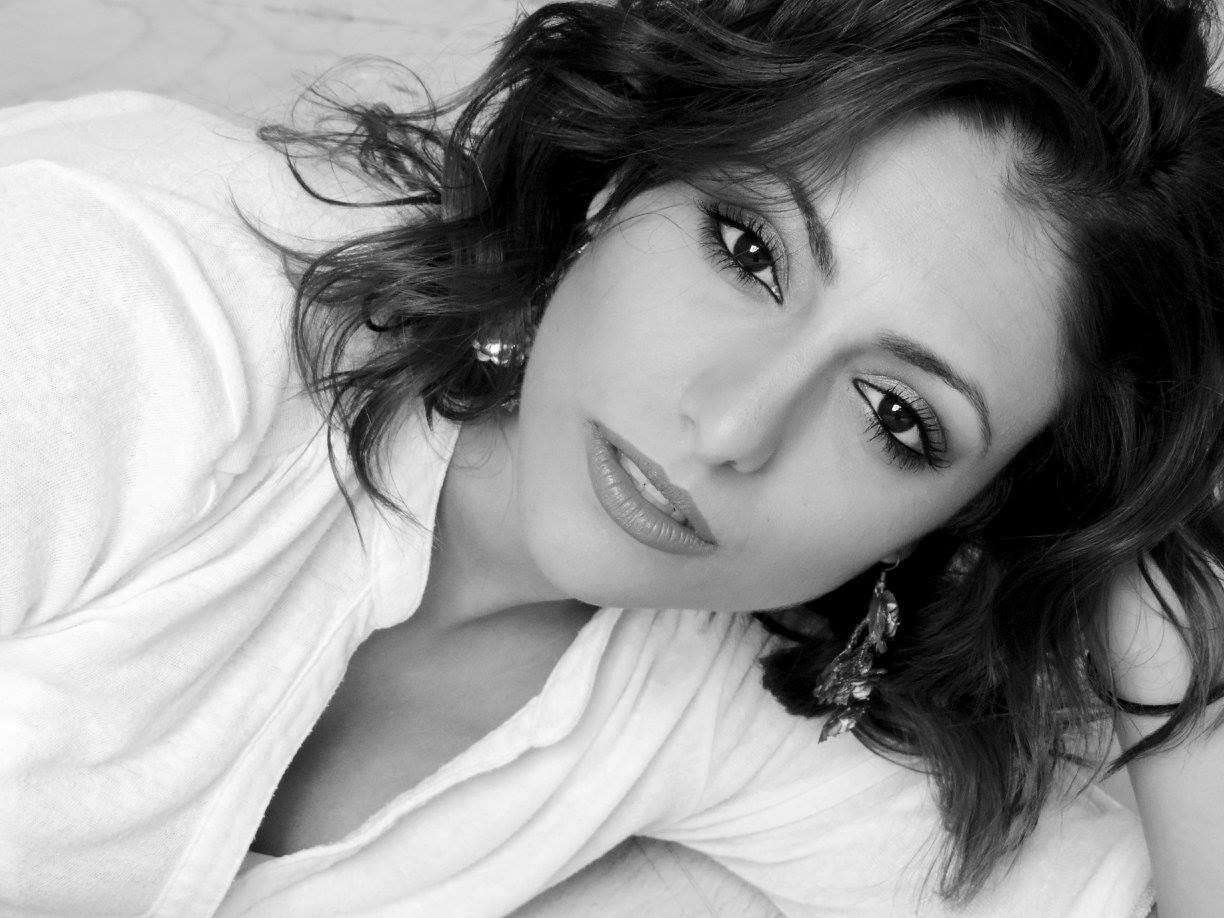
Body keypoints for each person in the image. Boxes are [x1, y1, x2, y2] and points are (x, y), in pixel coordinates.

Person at [3, 0, 1223, 914]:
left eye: (898, 417)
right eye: (747, 251)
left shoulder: (714, 685)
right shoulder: (142, 297)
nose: (733, 428)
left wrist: (1165, 589)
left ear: (963, 508)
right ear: (623, 180)